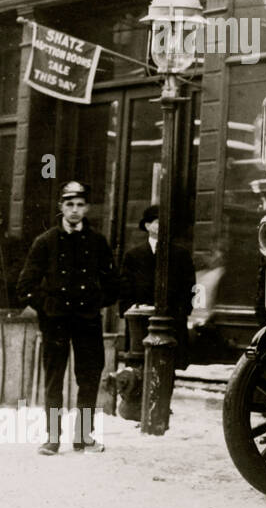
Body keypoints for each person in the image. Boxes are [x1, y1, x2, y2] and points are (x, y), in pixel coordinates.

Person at [17, 181, 118, 455]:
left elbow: (113, 283)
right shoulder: (45, 242)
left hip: (87, 320)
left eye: (80, 205)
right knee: (54, 378)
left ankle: (83, 436)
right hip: (56, 321)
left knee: (89, 377)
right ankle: (52, 437)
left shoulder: (97, 242)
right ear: (61, 207)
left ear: (87, 208)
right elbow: (25, 286)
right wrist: (47, 305)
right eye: (69, 204)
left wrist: (97, 301)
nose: (75, 210)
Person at [119, 204, 197, 371]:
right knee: (139, 365)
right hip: (140, 322)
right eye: (157, 221)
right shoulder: (133, 255)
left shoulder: (180, 255)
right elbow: (125, 286)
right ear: (147, 226)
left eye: (166, 221)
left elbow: (190, 287)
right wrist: (131, 308)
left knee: (168, 367)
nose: (162, 225)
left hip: (171, 321)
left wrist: (182, 312)